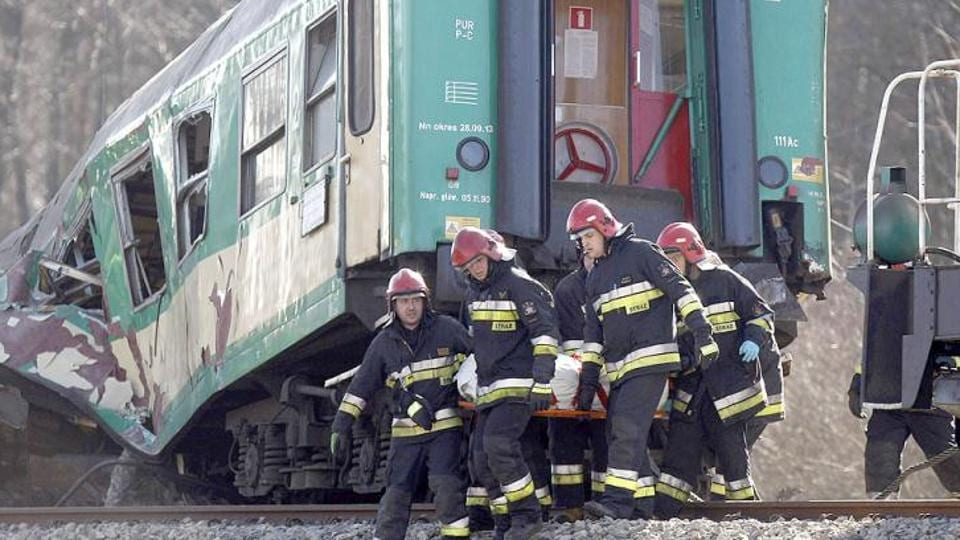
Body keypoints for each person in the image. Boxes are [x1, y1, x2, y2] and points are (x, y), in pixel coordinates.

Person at [566, 200, 717, 520]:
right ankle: (643, 505)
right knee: (617, 434)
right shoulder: (594, 279)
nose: (584, 245)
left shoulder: (642, 253)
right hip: (621, 371)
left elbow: (682, 290)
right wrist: (588, 381)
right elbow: (593, 336)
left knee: (627, 428)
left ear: (606, 229)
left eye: (588, 237)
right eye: (580, 240)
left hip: (651, 361)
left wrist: (702, 332)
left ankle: (617, 504)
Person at [329, 268, 471, 540]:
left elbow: (477, 361)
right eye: (404, 301)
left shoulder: (448, 329)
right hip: (405, 435)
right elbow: (360, 388)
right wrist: (341, 425)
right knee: (396, 493)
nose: (411, 307)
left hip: (444, 429)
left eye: (415, 300)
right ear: (393, 305)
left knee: (447, 488)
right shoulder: (384, 343)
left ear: (424, 301)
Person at [651, 222, 773, 518]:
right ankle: (663, 515)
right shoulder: (669, 293)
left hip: (727, 387)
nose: (668, 265)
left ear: (690, 254)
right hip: (693, 389)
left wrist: (753, 341)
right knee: (679, 454)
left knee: (732, 457)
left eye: (673, 257)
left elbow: (761, 314)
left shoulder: (725, 280)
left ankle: (747, 515)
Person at [451, 226, 559, 540]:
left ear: (491, 255)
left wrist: (541, 382)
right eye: (469, 268)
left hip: (519, 386)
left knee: (499, 446)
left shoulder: (521, 286)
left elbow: (545, 337)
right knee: (481, 461)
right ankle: (505, 523)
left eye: (478, 263)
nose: (476, 271)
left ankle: (528, 516)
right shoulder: (474, 293)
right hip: (489, 391)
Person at [548, 252, 609, 522]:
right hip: (572, 381)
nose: (592, 260)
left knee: (607, 441)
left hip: (606, 381)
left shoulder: (616, 284)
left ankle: (604, 506)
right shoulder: (567, 289)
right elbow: (557, 339)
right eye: (586, 256)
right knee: (564, 441)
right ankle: (568, 507)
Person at [848, 355, 960, 497]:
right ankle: (881, 508)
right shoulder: (885, 331)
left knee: (945, 453)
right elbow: (875, 350)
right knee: (880, 452)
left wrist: (951, 363)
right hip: (887, 400)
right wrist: (859, 381)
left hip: (929, 396)